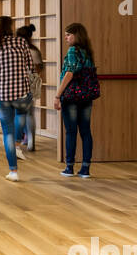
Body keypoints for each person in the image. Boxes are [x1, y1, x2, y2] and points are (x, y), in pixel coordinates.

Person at [0, 16, 35, 182]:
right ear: (10, 27)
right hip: (21, 90)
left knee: (7, 131)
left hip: (1, 93)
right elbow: (30, 65)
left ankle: (13, 171)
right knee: (21, 114)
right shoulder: (20, 42)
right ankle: (18, 142)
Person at [54, 22, 97, 179]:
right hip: (86, 96)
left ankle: (69, 167)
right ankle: (85, 168)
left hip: (71, 96)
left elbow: (69, 73)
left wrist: (58, 95)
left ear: (76, 35)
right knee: (86, 131)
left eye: (69, 34)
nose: (66, 37)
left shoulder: (73, 51)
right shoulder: (87, 52)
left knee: (71, 131)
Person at [16, 24, 45, 151]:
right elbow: (39, 69)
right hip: (32, 84)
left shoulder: (16, 50)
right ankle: (31, 141)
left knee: (18, 113)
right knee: (30, 114)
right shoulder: (35, 51)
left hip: (17, 84)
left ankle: (21, 138)